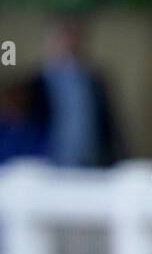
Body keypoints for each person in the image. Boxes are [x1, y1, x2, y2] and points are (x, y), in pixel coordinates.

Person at [29, 16, 124, 168]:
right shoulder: (35, 83)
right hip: (48, 164)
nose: (68, 44)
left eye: (72, 38)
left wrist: (117, 157)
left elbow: (109, 125)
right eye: (63, 38)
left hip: (91, 162)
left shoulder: (94, 80)